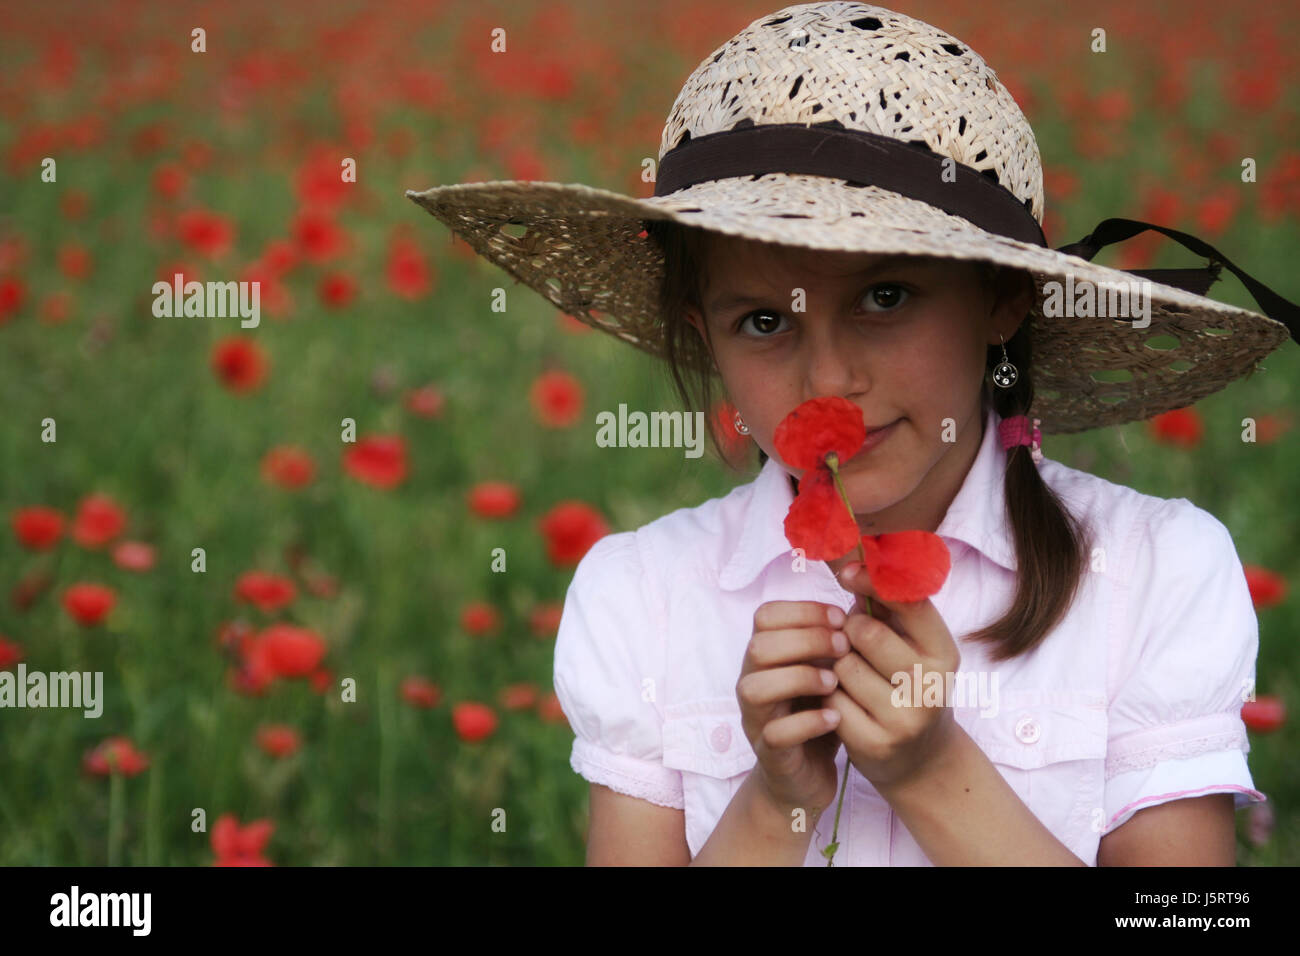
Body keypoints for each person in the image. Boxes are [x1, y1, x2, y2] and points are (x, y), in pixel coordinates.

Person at [406, 2, 1297, 865]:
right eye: (762, 321)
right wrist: (778, 801)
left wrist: (933, 773)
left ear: (1001, 297)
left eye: (885, 297)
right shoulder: (642, 596)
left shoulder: (1156, 571)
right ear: (701, 332)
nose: (827, 380)